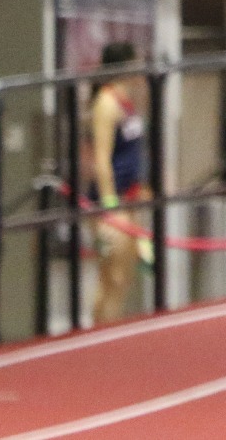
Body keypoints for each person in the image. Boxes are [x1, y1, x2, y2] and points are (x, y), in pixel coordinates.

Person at [87, 40, 147, 325]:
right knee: (113, 276)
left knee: (122, 277)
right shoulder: (106, 103)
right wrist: (109, 205)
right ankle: (100, 334)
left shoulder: (127, 103)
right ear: (126, 65)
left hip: (129, 197)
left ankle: (106, 330)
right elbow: (101, 157)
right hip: (112, 201)